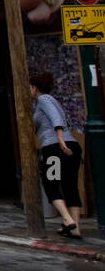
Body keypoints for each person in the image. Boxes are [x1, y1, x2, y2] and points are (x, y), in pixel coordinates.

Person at [29, 72, 84, 238]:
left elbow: (55, 118)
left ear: (35, 88)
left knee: (50, 183)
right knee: (70, 186)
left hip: (55, 148)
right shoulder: (51, 101)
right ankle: (75, 228)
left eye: (30, 87)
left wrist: (60, 139)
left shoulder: (43, 100)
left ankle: (68, 220)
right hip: (71, 147)